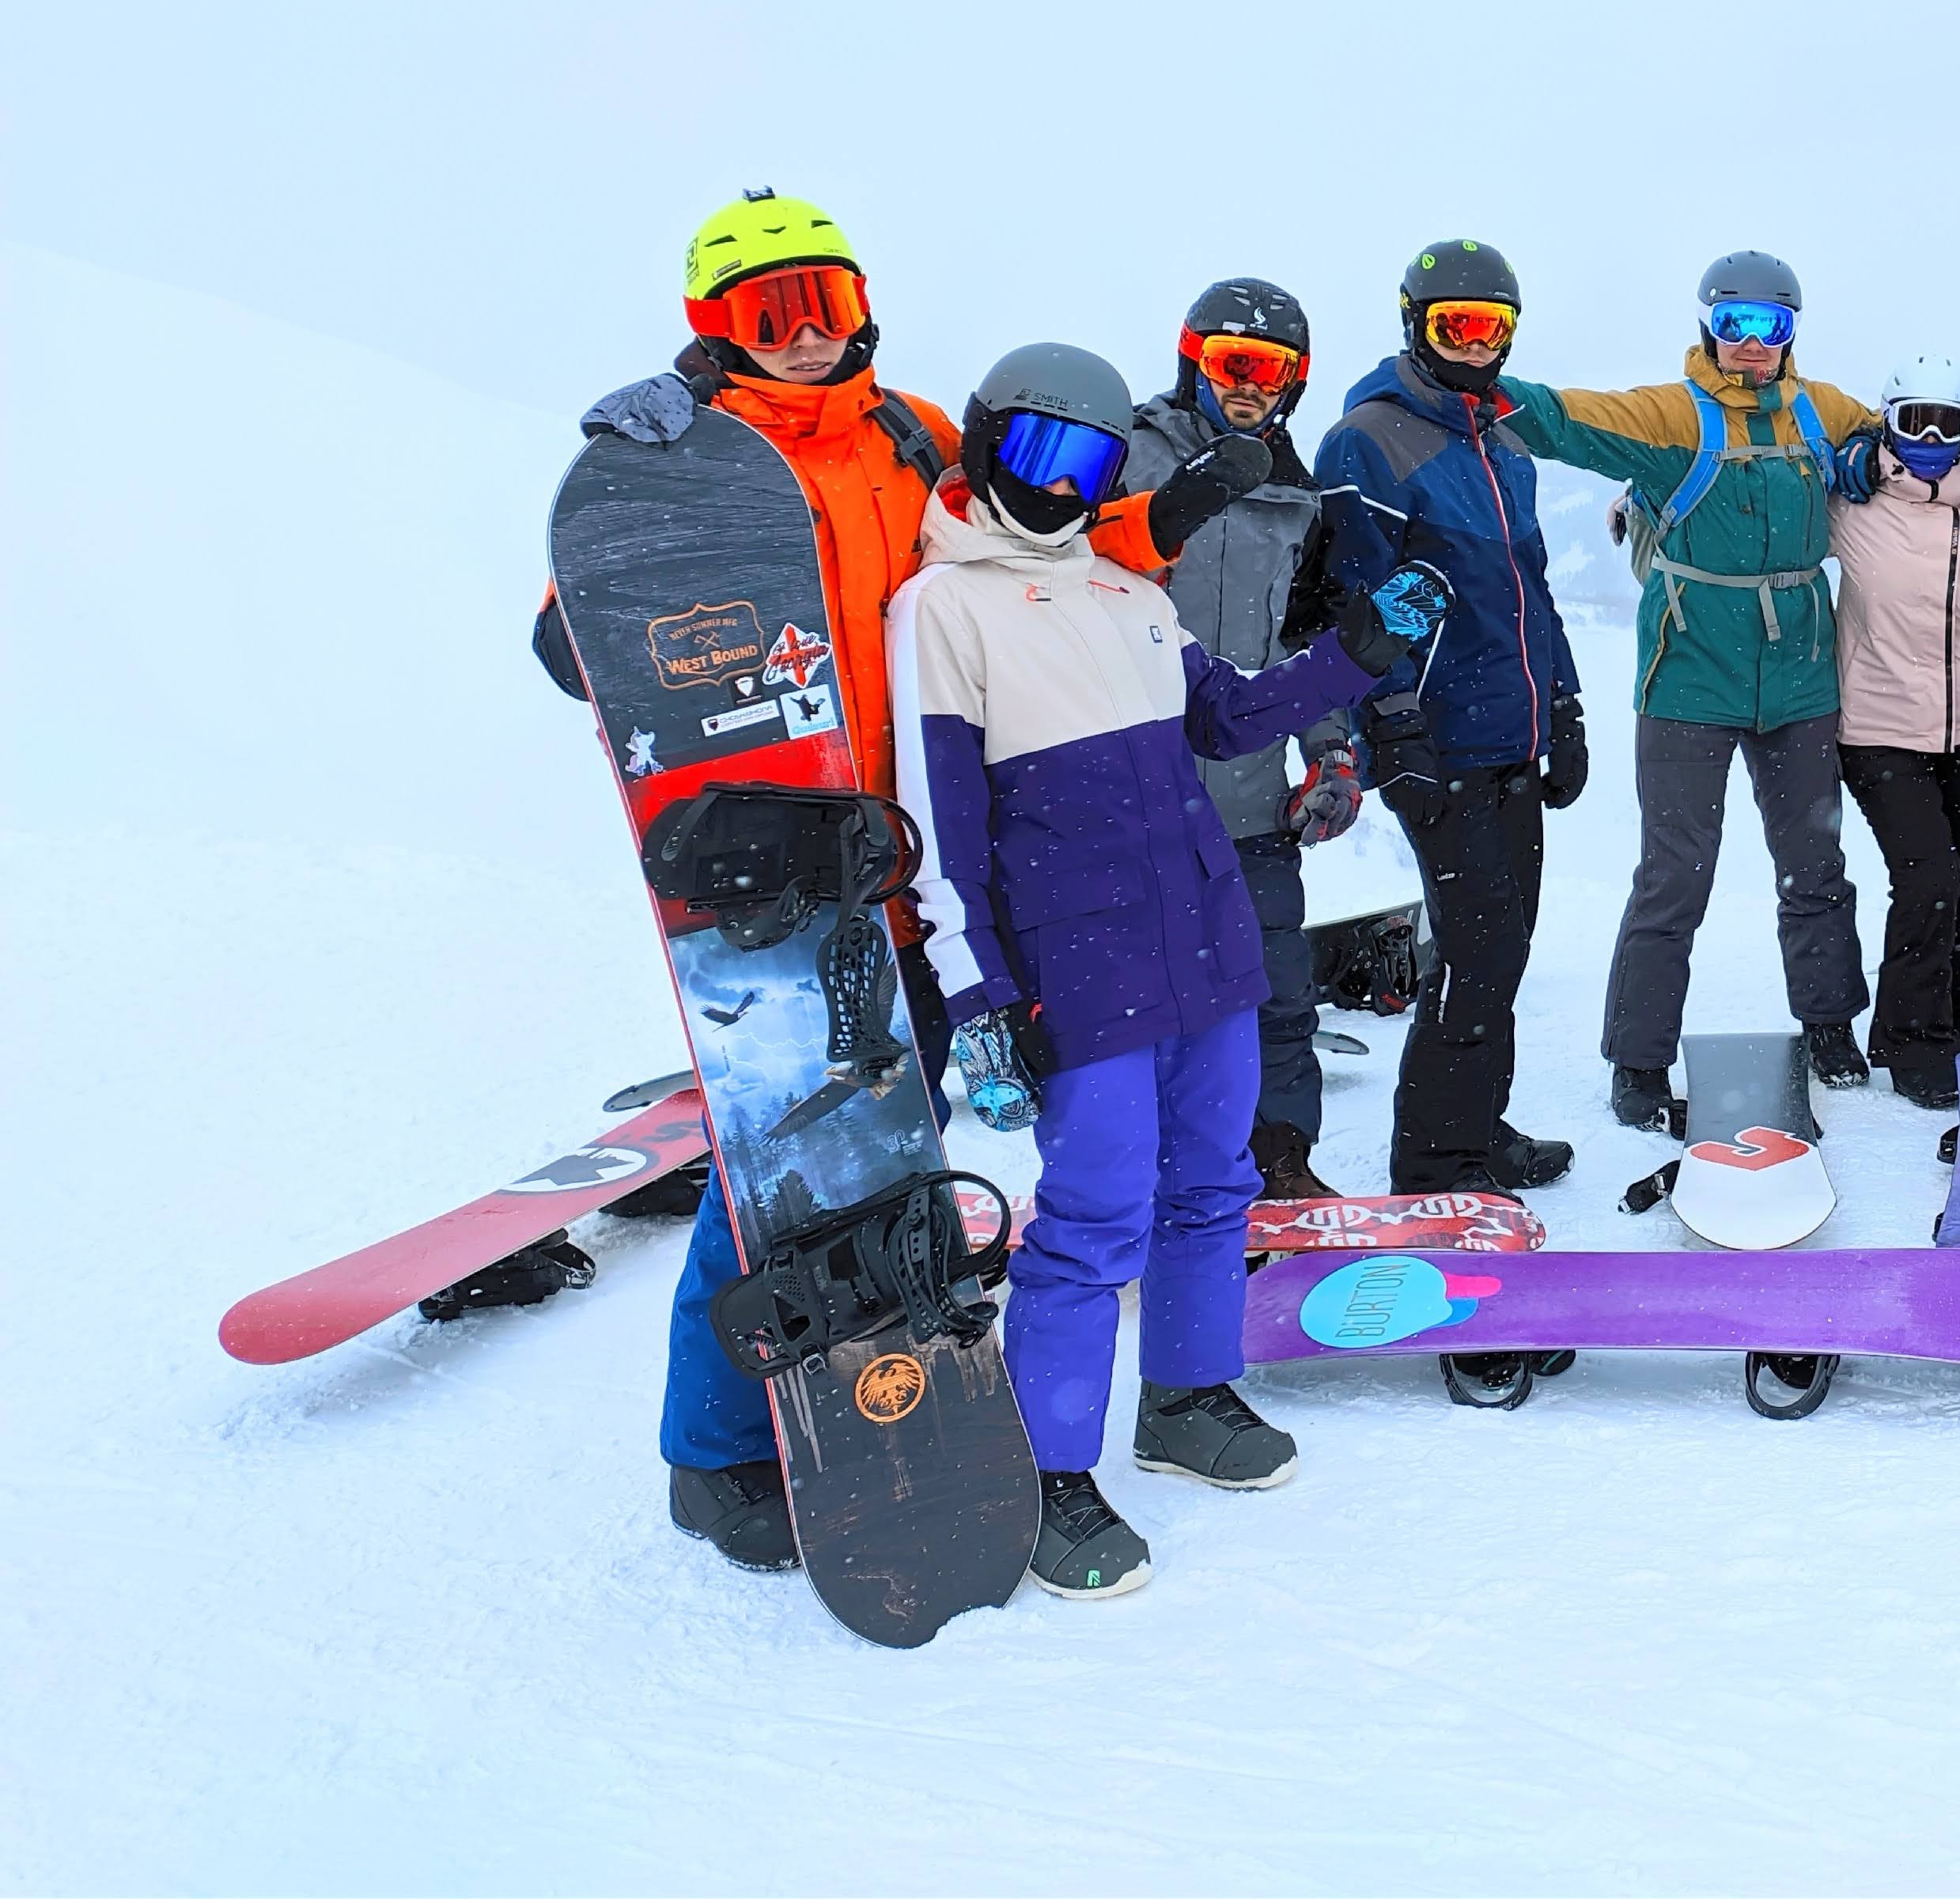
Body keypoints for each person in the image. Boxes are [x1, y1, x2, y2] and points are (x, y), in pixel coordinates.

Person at [539, 191, 1264, 1578]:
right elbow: (596, 640)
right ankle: (716, 1450)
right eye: (770, 312)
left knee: (897, 1143)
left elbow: (1056, 539)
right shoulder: (692, 462)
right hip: (789, 860)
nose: (807, 335)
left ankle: (867, 1394)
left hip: (930, 845)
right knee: (783, 1157)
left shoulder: (913, 430)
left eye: (826, 298)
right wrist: (627, 514)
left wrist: (1166, 516)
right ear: (713, 326)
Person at [893, 342, 1447, 1600]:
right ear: (985, 447)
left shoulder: (1131, 595)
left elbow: (1231, 719)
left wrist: (1354, 651)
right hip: (1075, 959)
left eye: (1087, 462)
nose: (1059, 484)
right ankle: (1044, 1476)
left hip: (1202, 938)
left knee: (1213, 1180)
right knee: (1091, 1217)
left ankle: (1189, 1398)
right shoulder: (942, 607)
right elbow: (943, 823)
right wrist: (980, 995)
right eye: (1036, 451)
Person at [1493, 252, 1880, 1128]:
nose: (1751, 342)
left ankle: (1828, 1024)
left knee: (1815, 863)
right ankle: (1637, 1059)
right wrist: (1441, 377)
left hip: (1800, 675)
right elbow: (1556, 418)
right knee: (1674, 875)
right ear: (1708, 323)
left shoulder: (1825, 412)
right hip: (1687, 674)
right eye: (1734, 322)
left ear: (1792, 331)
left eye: (1771, 325)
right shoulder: (1670, 415)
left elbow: (1919, 439)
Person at [1311, 240, 1584, 1196]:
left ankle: (1475, 1122)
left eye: (1491, 328)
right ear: (1413, 325)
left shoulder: (1504, 448)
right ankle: (1435, 1163)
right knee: (1476, 952)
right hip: (1440, 744)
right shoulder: (1370, 440)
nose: (1474, 346)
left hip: (1511, 740)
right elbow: (1350, 596)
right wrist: (1393, 730)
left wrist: (1566, 702)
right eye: (1452, 326)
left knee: (1502, 952)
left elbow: (1532, 591)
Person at [1118, 277, 1364, 1197]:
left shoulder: (1294, 492)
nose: (1251, 385)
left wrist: (1331, 753)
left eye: (1274, 370)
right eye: (1232, 364)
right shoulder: (1130, 457)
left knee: (1275, 993)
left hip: (1253, 796)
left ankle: (1280, 1160)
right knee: (1142, 1003)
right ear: (1194, 362)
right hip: (1133, 794)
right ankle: (1147, 1173)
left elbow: (1305, 640)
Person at [1824, 356, 1960, 1108]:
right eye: (1915, 421)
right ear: (1887, 421)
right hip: (1878, 724)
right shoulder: (1850, 496)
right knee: (1928, 880)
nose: (1932, 437)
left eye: (1949, 422)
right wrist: (1642, 502)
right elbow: (1761, 507)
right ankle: (1909, 1038)